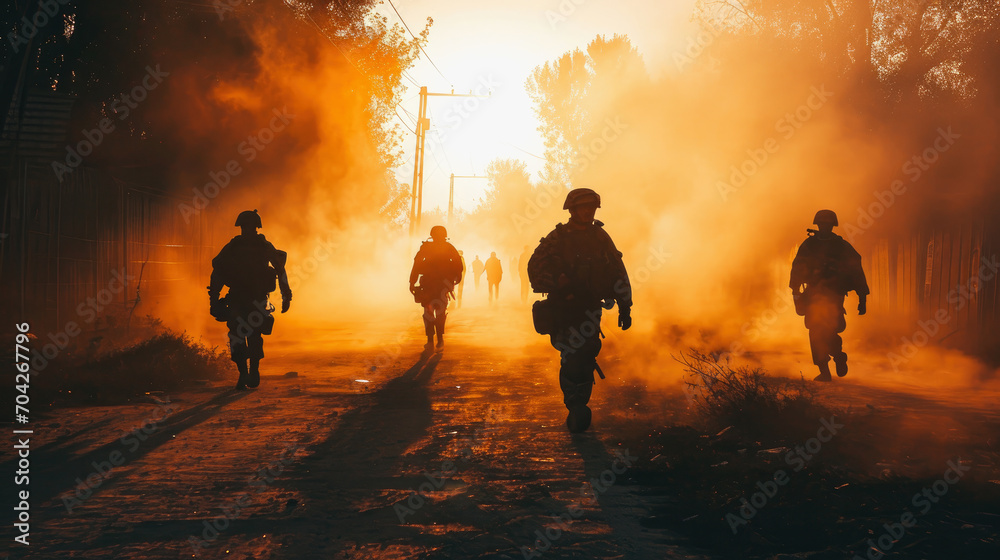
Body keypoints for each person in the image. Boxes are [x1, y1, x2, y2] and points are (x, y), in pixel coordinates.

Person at [528, 188, 632, 433]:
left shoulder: (600, 237)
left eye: (591, 207)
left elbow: (618, 270)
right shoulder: (558, 238)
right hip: (564, 308)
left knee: (588, 352)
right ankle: (575, 404)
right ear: (572, 210)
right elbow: (535, 268)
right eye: (583, 207)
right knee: (572, 355)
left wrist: (625, 306)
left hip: (590, 308)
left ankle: (579, 403)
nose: (588, 211)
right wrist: (559, 284)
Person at [208, 210, 292, 390]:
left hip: (253, 299)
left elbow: (280, 270)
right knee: (239, 337)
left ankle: (252, 370)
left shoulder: (256, 246)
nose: (247, 230)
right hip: (242, 299)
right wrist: (213, 299)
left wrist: (286, 295)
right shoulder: (241, 247)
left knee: (251, 336)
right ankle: (244, 372)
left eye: (249, 227)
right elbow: (218, 272)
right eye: (245, 227)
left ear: (255, 227)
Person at [789, 210, 869, 382]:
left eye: (828, 224)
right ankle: (824, 370)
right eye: (822, 224)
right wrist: (795, 291)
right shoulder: (809, 245)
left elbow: (856, 269)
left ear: (833, 226)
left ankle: (838, 355)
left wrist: (862, 297)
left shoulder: (842, 247)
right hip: (814, 295)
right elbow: (797, 267)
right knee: (815, 331)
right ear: (817, 225)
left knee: (831, 329)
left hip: (834, 296)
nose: (824, 227)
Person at [410, 225, 463, 350]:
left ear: (432, 235)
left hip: (428, 285)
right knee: (440, 312)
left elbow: (417, 264)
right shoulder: (449, 247)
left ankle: (430, 341)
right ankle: (439, 340)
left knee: (428, 312)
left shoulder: (426, 247)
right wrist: (456, 279)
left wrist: (412, 282)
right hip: (442, 286)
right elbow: (458, 265)